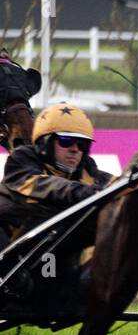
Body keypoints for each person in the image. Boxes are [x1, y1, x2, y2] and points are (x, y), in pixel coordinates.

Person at [0, 101, 112, 310]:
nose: (75, 150)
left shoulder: (90, 173)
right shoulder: (21, 162)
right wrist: (89, 193)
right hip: (17, 252)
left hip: (56, 266)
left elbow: (118, 186)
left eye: (82, 144)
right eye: (66, 141)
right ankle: (13, 282)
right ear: (44, 143)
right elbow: (51, 186)